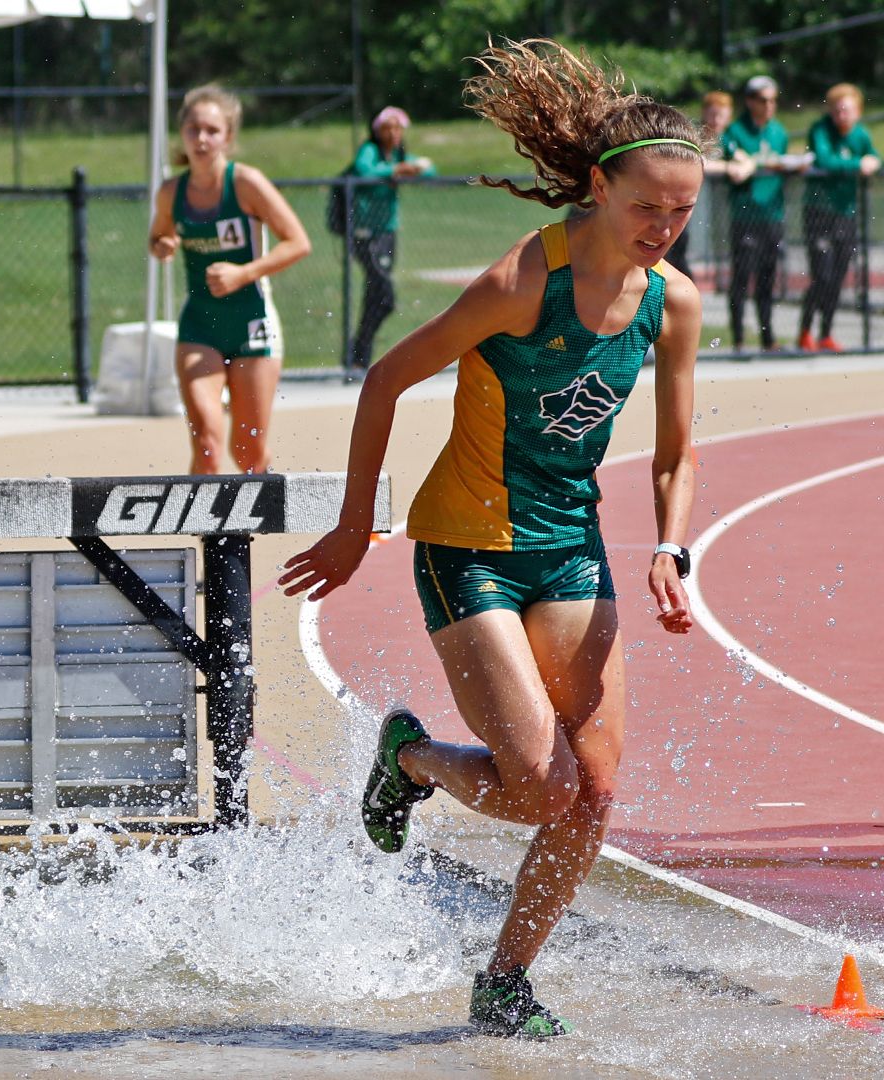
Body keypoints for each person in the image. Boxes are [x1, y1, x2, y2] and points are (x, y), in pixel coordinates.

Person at [280, 40, 701, 1038]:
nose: (665, 229)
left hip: (569, 546)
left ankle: (504, 980)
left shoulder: (673, 303)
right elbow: (386, 378)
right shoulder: (521, 281)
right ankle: (415, 760)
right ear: (598, 188)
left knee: (590, 795)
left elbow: (677, 454)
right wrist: (352, 526)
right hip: (467, 544)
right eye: (648, 207)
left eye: (682, 212)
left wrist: (671, 549)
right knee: (536, 788)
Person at [148, 85, 311, 473]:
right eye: (192, 129)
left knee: (248, 454)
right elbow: (158, 236)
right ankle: (209, 534)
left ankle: (250, 522)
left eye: (211, 130)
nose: (201, 139)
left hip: (251, 321)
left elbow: (298, 242)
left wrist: (244, 273)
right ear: (182, 134)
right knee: (206, 439)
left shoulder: (246, 183)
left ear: (228, 137)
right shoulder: (172, 192)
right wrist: (163, 244)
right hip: (200, 324)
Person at [342, 106, 435, 374]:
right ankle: (358, 353)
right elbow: (364, 170)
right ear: (378, 130)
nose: (393, 133)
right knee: (384, 294)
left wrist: (409, 168)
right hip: (364, 233)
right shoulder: (371, 151)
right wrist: (397, 169)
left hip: (387, 231)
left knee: (375, 294)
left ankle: (357, 357)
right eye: (387, 128)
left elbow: (430, 169)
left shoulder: (399, 155)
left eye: (397, 128)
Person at [720, 76, 802, 352]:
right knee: (741, 280)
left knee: (767, 280)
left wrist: (789, 164)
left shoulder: (779, 132)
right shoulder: (735, 131)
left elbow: (773, 161)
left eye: (773, 100)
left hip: (773, 216)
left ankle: (768, 339)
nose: (770, 106)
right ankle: (738, 339)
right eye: (764, 100)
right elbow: (733, 157)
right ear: (750, 102)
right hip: (745, 218)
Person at [797, 82, 879, 353]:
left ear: (857, 111)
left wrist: (874, 161)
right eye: (837, 110)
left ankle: (826, 333)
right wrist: (857, 164)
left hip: (846, 214)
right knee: (822, 275)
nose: (841, 116)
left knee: (838, 276)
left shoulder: (861, 134)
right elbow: (825, 160)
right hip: (819, 213)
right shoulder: (820, 130)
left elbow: (874, 156)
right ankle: (805, 330)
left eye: (847, 110)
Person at [661, 90, 732, 284]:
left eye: (722, 116)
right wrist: (728, 167)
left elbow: (744, 156)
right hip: (677, 203)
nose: (717, 120)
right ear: (704, 112)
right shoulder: (691, 132)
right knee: (673, 254)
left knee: (680, 255)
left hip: (701, 209)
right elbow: (694, 161)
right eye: (713, 114)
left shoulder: (728, 137)